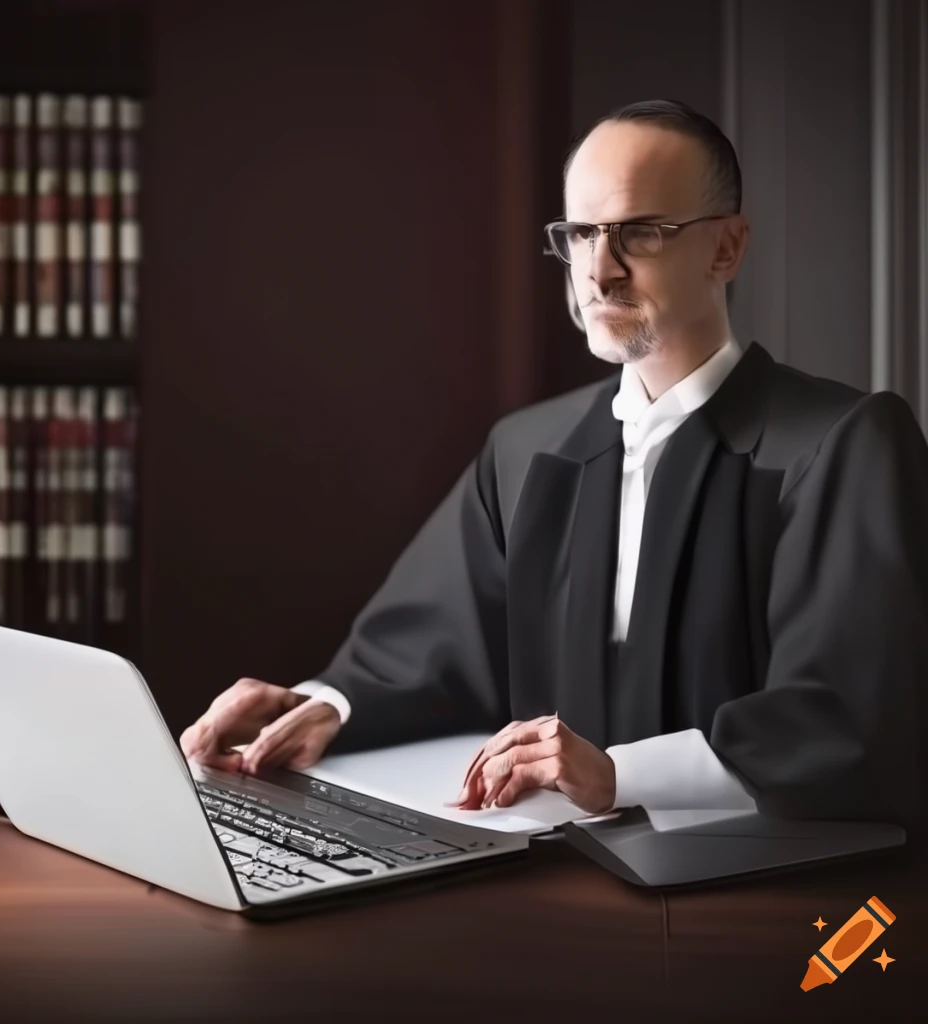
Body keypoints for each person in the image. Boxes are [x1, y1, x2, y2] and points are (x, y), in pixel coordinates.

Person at [181, 99, 928, 831]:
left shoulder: (843, 444)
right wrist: (325, 705)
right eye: (581, 234)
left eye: (640, 232)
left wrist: (616, 776)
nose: (600, 271)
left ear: (726, 248)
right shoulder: (526, 450)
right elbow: (426, 650)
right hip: (546, 873)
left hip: (773, 895)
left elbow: (851, 718)